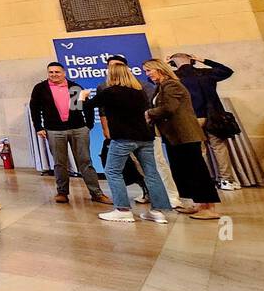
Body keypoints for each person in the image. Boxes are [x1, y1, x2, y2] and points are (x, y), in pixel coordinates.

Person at [86, 60, 173, 223]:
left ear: (111, 75)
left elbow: (89, 106)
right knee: (151, 173)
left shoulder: (110, 91)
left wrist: (83, 97)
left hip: (123, 138)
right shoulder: (139, 92)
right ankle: (157, 211)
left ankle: (122, 209)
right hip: (145, 138)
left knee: (112, 171)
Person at [144, 60, 220, 221]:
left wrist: (149, 113)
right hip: (173, 136)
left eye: (149, 70)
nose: (148, 74)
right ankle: (199, 203)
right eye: (146, 71)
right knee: (186, 170)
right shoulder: (161, 87)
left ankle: (209, 207)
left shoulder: (172, 85)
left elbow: (169, 107)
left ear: (160, 69)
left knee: (197, 170)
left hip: (184, 134)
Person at [29, 62, 108, 204]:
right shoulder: (40, 89)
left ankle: (96, 193)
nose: (54, 75)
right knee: (60, 163)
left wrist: (88, 125)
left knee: (85, 161)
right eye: (51, 72)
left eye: (57, 72)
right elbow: (34, 109)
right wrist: (38, 127)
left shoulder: (74, 87)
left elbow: (85, 106)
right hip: (54, 130)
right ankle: (62, 192)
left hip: (78, 129)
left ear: (64, 73)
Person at [170, 53, 241, 192]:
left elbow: (152, 79)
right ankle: (225, 180)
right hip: (213, 116)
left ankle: (205, 180)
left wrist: (166, 63)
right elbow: (227, 71)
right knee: (219, 148)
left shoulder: (174, 77)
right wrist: (203, 60)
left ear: (173, 62)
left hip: (191, 117)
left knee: (198, 150)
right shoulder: (205, 73)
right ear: (192, 60)